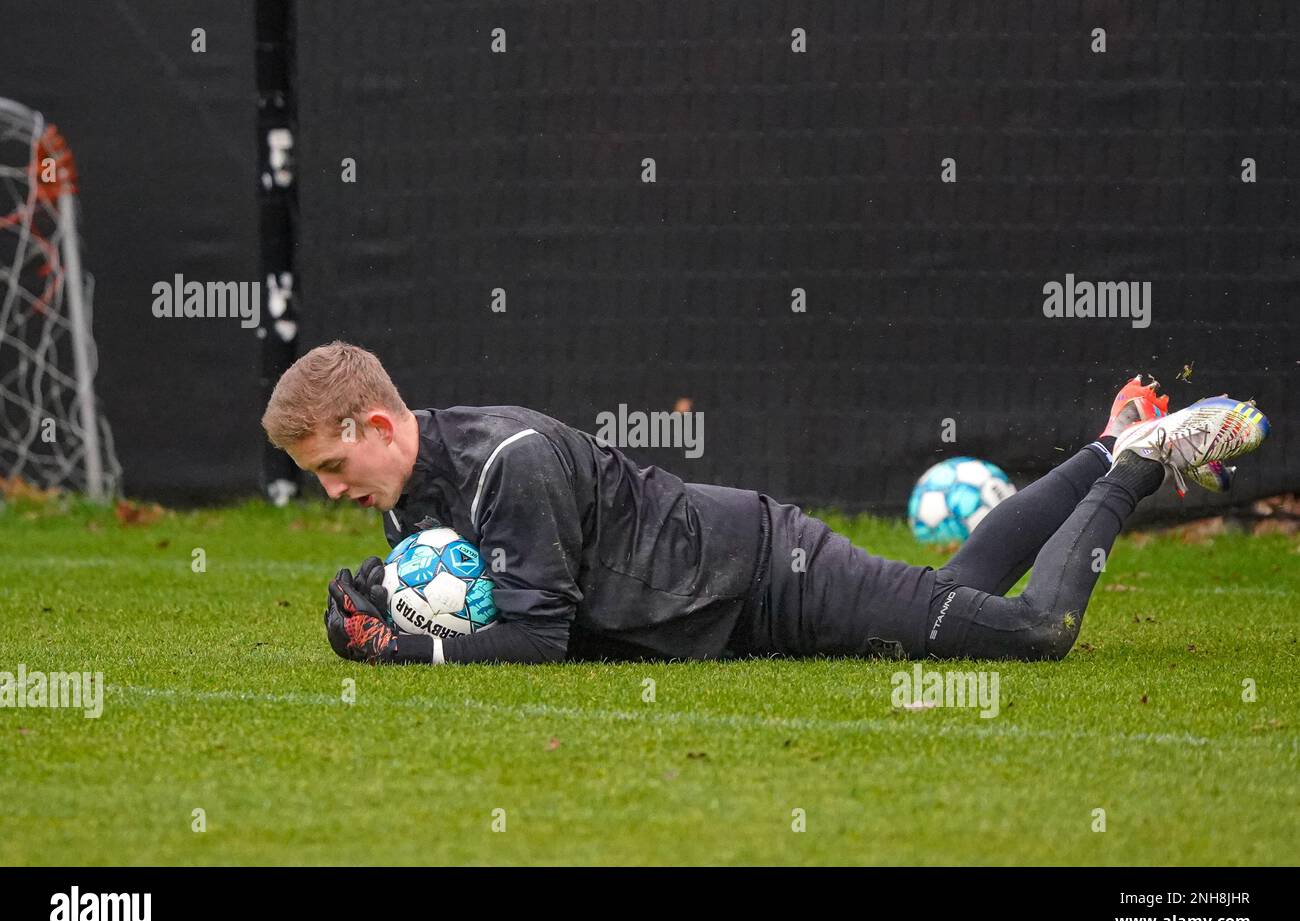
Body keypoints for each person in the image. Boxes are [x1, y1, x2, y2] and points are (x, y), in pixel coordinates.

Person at [259, 341, 1269, 665]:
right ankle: (1103, 443)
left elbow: (532, 636)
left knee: (1034, 631)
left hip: (763, 574)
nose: (333, 492)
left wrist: (404, 649)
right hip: (716, 596)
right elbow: (463, 592)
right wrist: (377, 601)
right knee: (949, 590)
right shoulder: (408, 497)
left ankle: (1136, 462)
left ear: (377, 427)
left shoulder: (505, 461)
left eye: (330, 467)